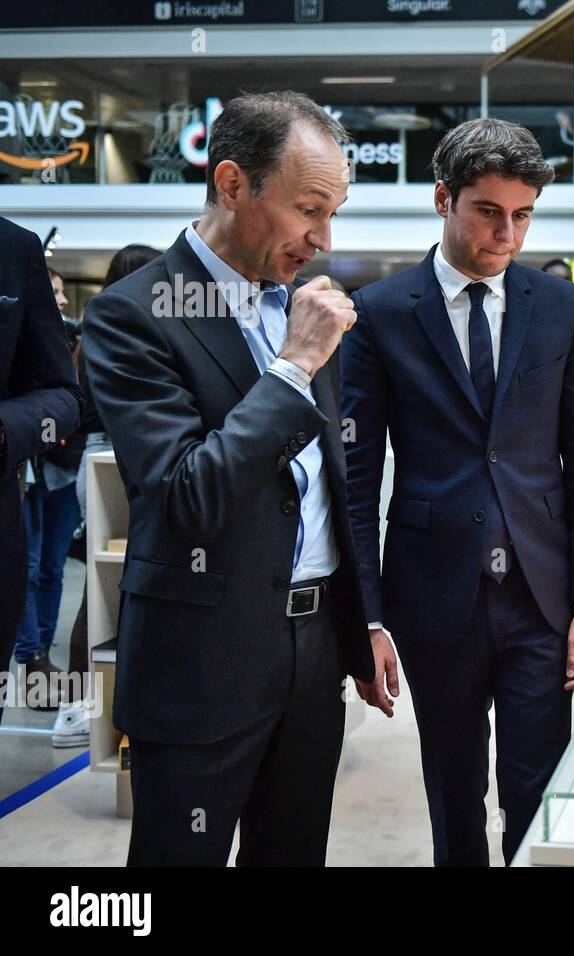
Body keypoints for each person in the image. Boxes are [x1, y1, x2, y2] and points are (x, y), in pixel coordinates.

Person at [82, 91, 395, 866]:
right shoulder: (136, 313)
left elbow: (331, 486)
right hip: (200, 664)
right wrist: (292, 367)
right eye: (308, 209)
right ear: (231, 185)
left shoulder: (300, 305)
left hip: (314, 650)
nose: (323, 239)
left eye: (336, 212)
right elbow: (188, 495)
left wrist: (366, 624)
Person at [342, 117, 574, 866]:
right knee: (453, 793)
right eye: (489, 211)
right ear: (443, 198)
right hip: (435, 600)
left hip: (541, 597)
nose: (508, 233)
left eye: (523, 215)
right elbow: (357, 480)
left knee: (538, 792)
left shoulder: (561, 308)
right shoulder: (379, 313)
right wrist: (365, 618)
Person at [53, 244, 162, 749]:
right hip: (110, 461)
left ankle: (88, 709)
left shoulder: (99, 329)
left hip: (101, 459)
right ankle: (80, 709)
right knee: (104, 588)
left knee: (106, 586)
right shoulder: (118, 325)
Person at [0, 218, 84, 724]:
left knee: (46, 567)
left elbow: (62, 394)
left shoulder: (13, 248)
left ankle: (34, 658)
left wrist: (7, 427)